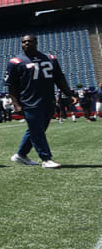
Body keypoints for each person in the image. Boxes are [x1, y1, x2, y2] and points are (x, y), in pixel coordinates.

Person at [6, 33, 76, 169]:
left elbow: (59, 79)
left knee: (37, 129)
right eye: (23, 42)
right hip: (29, 102)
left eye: (29, 41)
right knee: (37, 130)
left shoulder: (50, 59)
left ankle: (21, 154)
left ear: (36, 43)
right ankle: (46, 158)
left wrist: (69, 94)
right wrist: (16, 103)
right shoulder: (15, 62)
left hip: (48, 101)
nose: (26, 44)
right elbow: (11, 86)